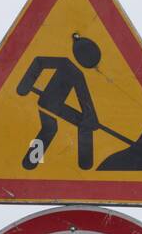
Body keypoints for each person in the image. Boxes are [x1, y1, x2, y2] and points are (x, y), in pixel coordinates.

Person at [15, 33, 102, 170]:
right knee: (51, 129)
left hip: (54, 105)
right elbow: (39, 62)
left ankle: (85, 163)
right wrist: (24, 86)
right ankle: (31, 162)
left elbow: (84, 99)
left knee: (72, 125)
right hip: (48, 102)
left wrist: (91, 118)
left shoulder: (76, 72)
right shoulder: (68, 66)